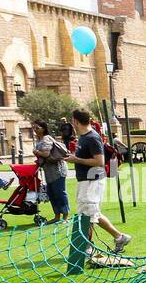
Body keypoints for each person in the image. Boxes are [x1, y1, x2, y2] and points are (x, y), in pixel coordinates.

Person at [69, 108, 131, 253]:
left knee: (87, 215)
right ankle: (119, 237)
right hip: (85, 181)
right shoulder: (84, 137)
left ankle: (87, 248)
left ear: (75, 121)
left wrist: (75, 159)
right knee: (90, 213)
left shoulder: (91, 137)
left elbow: (99, 162)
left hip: (92, 181)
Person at [32, 121, 70, 222]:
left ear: (43, 128)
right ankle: (57, 216)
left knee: (60, 193)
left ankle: (65, 216)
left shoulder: (46, 138)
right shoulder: (39, 140)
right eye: (34, 128)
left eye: (37, 128)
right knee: (52, 194)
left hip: (58, 170)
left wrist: (36, 152)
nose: (35, 130)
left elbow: (46, 153)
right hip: (49, 171)